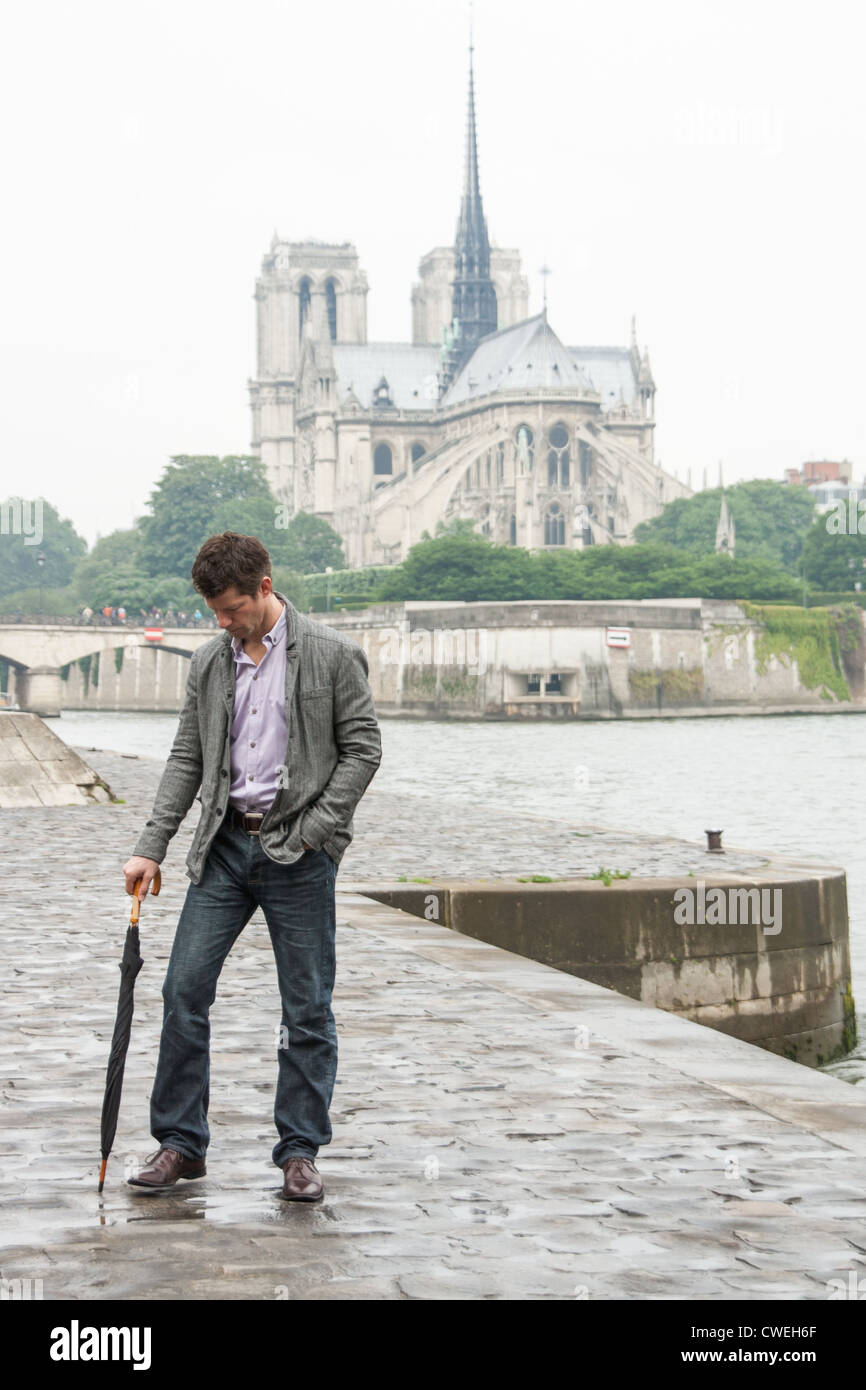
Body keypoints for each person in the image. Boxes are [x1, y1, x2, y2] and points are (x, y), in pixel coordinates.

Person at [122, 531, 382, 1202]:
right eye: (215, 612)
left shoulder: (331, 654)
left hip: (299, 856)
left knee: (307, 1009)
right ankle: (180, 1144)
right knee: (182, 992)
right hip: (223, 849)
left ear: (264, 588)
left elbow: (362, 751)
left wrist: (319, 831)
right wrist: (151, 845)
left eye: (233, 609)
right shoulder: (211, 661)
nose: (224, 623)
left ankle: (300, 1152)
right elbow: (186, 758)